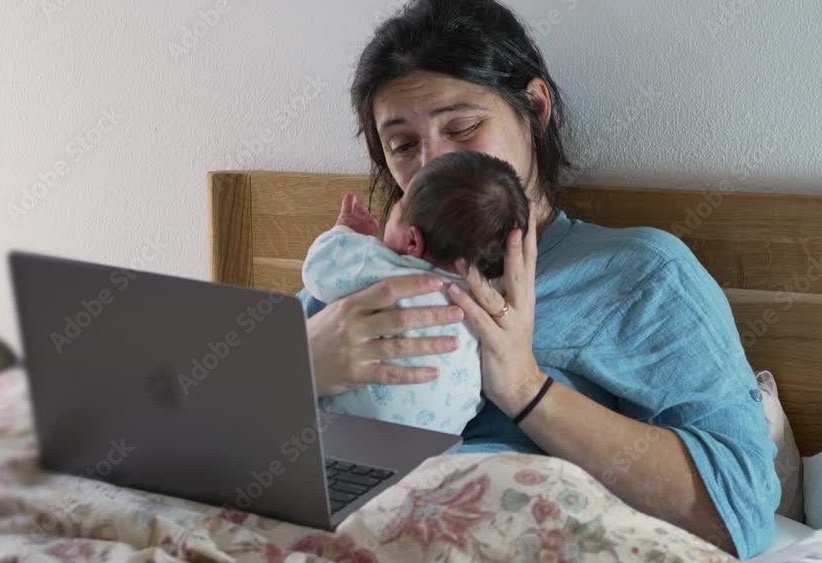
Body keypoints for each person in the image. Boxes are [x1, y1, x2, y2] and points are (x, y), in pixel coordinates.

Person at [297, 0, 778, 557]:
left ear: (535, 107)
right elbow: (199, 440)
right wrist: (300, 362)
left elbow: (738, 511)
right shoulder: (358, 276)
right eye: (403, 144)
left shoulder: (638, 275)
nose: (431, 164)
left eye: (463, 127)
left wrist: (525, 388)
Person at [303, 152, 528, 434]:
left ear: (412, 241)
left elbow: (317, 271)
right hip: (436, 439)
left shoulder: (378, 265)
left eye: (398, 204)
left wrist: (345, 232)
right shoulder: (486, 303)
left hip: (346, 433)